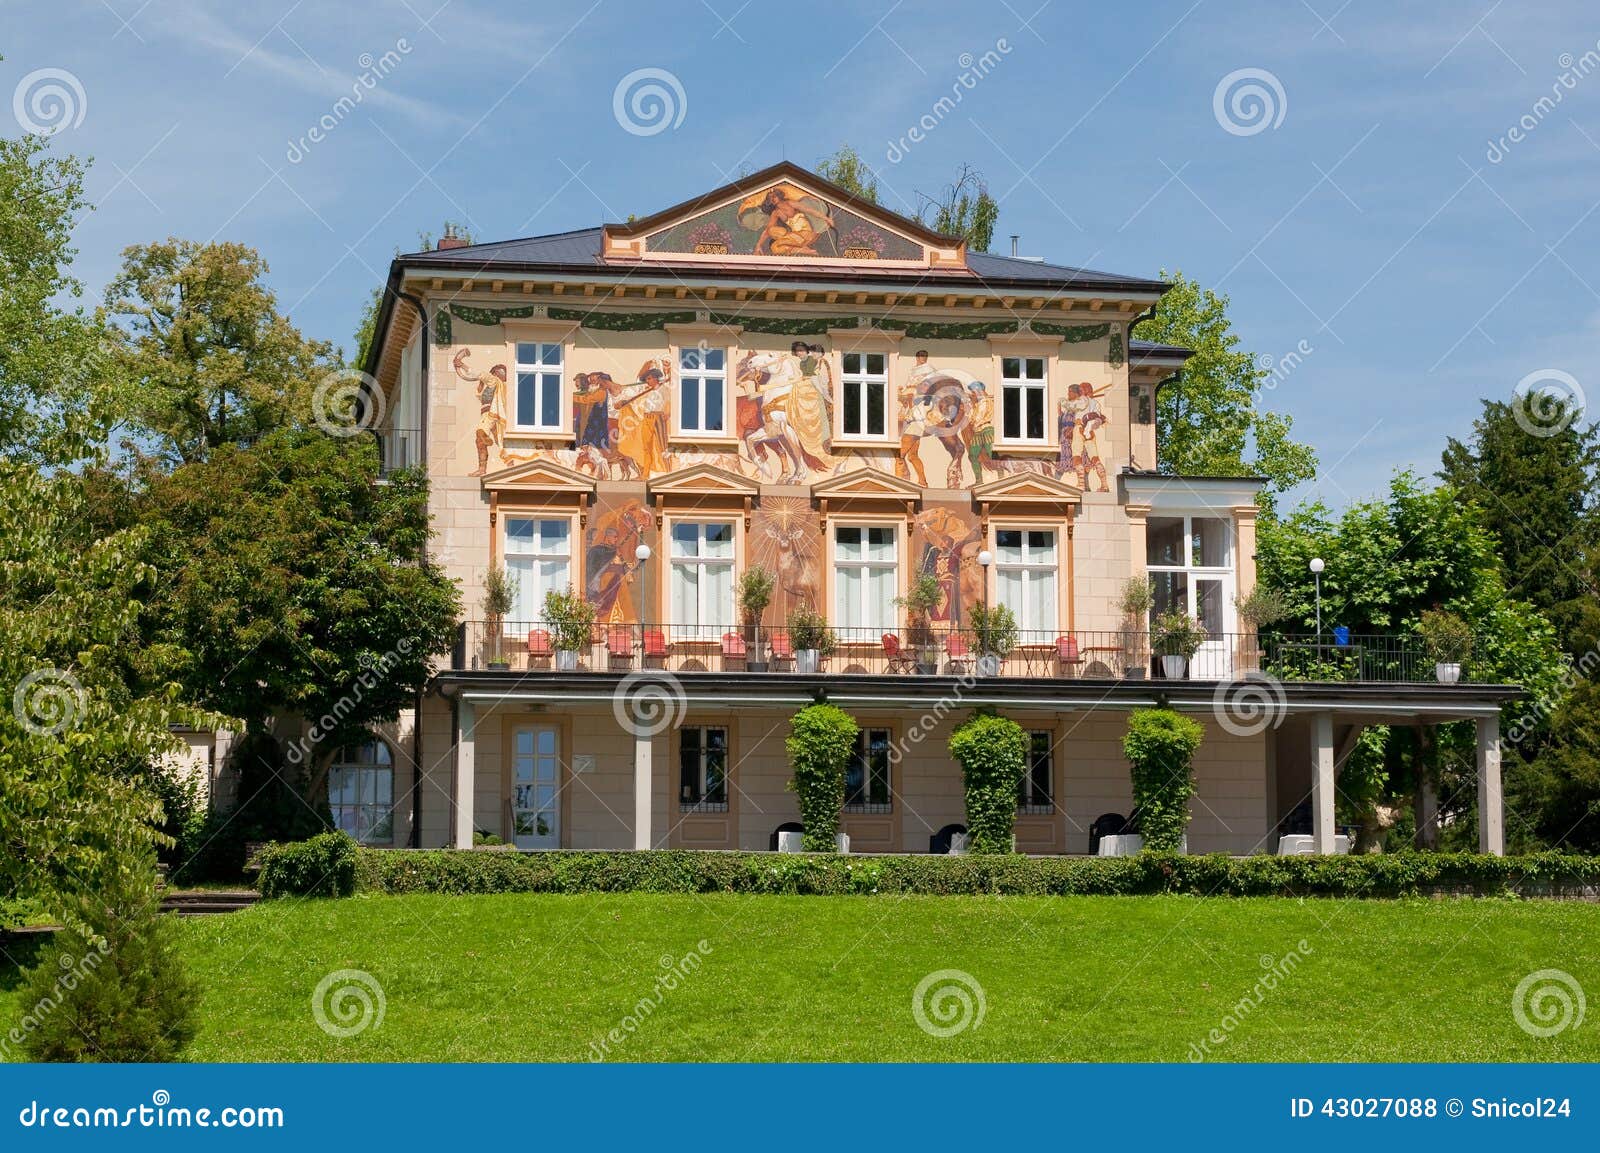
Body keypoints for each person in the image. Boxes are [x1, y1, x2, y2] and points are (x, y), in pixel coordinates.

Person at [454, 349, 509, 477]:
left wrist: (462, 365)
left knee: (480, 436)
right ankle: (508, 464)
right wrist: (480, 384)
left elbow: (480, 374)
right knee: (501, 444)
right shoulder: (496, 386)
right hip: (491, 415)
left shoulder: (494, 381)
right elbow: (480, 395)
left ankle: (482, 466)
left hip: (491, 415)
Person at [963, 381, 995, 484]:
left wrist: (972, 407)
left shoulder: (985, 402)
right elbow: (971, 417)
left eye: (973, 392)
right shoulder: (977, 404)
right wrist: (972, 405)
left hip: (986, 430)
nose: (972, 394)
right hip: (977, 432)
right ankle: (979, 480)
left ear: (978, 391)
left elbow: (975, 419)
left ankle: (1001, 475)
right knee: (972, 455)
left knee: (991, 454)